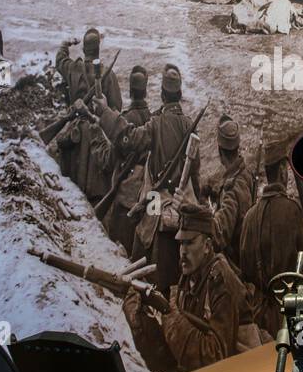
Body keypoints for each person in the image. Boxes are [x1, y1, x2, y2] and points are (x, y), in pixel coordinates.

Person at [95, 64, 198, 292]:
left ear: (162, 94)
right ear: (179, 94)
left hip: (155, 200)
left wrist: (105, 113)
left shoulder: (156, 124)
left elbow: (129, 138)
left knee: (144, 239)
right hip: (181, 205)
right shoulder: (190, 125)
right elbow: (195, 174)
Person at [122, 203, 245, 372]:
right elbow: (172, 355)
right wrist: (140, 320)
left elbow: (216, 358)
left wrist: (171, 317)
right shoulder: (189, 276)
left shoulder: (220, 281)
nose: (183, 251)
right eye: (180, 243)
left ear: (207, 246)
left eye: (189, 243)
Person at [238, 140, 303, 337]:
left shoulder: (249, 217)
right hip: (292, 313)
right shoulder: (293, 210)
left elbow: (245, 270)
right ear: (282, 170)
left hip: (259, 317)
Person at [102, 66, 151, 249]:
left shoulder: (125, 119)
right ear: (145, 91)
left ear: (130, 92)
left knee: (118, 242)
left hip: (125, 195)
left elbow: (111, 160)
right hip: (145, 193)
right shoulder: (152, 119)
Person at [208, 114, 253, 270]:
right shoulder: (246, 173)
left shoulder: (231, 189)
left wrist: (205, 219)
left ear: (220, 151)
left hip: (235, 263)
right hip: (246, 250)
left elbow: (219, 236)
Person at [56, 26, 121, 111]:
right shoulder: (109, 74)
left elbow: (60, 59)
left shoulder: (73, 68)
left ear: (83, 49)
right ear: (98, 49)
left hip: (77, 121)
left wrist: (65, 44)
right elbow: (116, 107)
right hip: (101, 122)